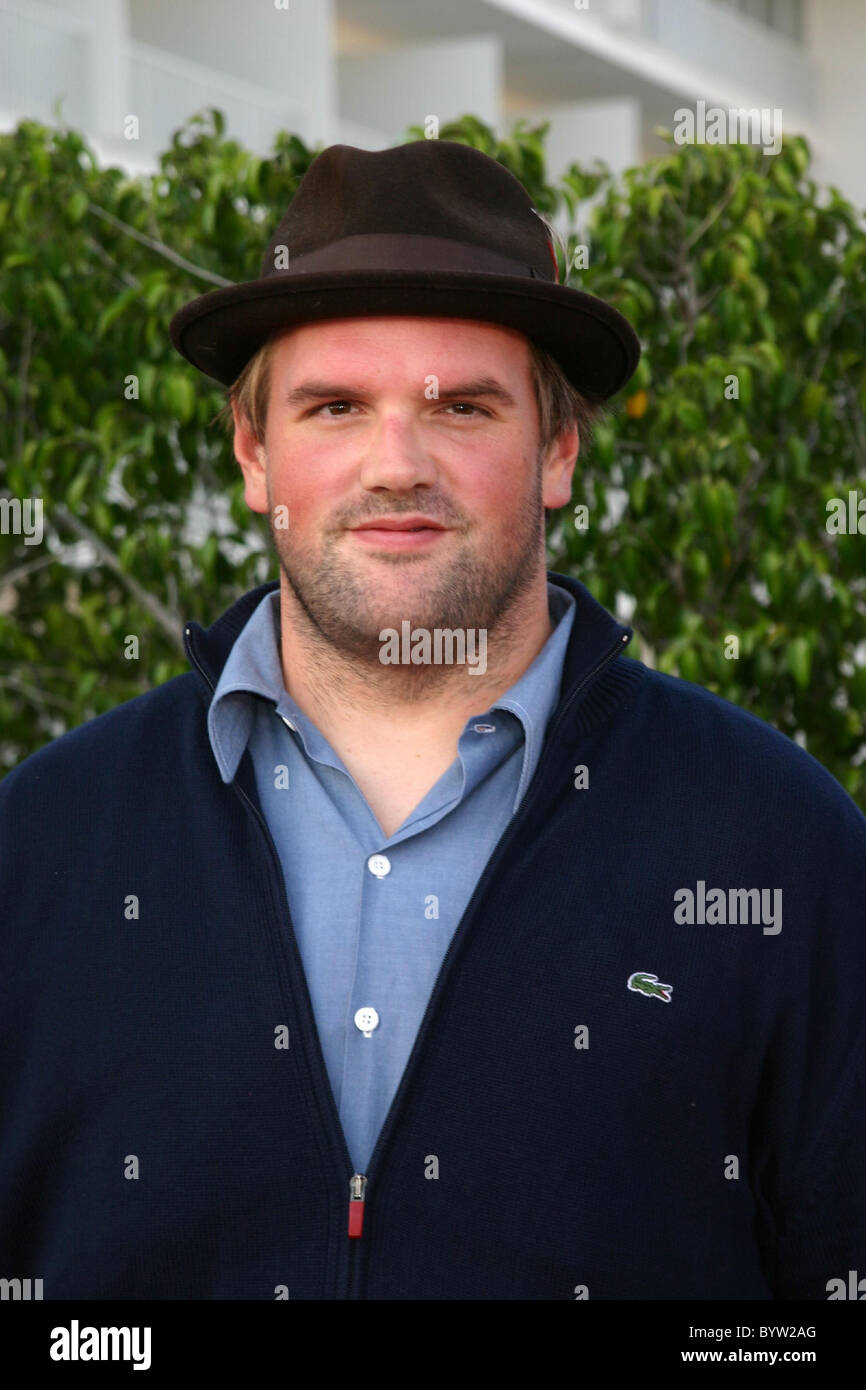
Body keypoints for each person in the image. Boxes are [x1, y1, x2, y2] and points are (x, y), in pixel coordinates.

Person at [1, 140, 864, 1301]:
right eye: (335, 405)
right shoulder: (42, 842)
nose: (394, 463)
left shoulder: (781, 844)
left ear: (555, 451)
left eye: (460, 405)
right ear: (255, 454)